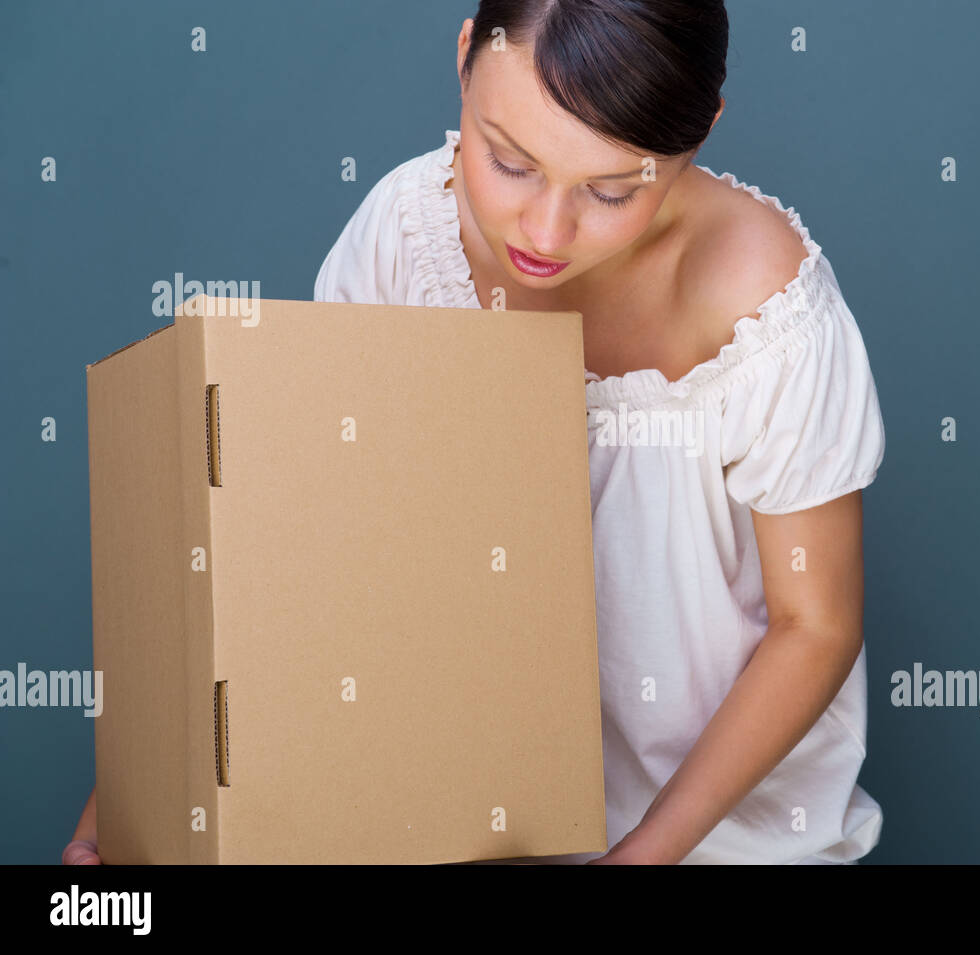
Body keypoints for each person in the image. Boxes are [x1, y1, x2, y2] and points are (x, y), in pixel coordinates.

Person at [64, 0, 886, 865]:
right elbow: (296, 547)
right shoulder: (406, 239)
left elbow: (815, 624)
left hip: (717, 833)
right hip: (456, 819)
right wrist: (126, 809)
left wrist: (643, 853)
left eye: (611, 191)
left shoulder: (771, 313)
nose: (544, 233)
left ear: (702, 132)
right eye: (509, 161)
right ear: (466, 55)